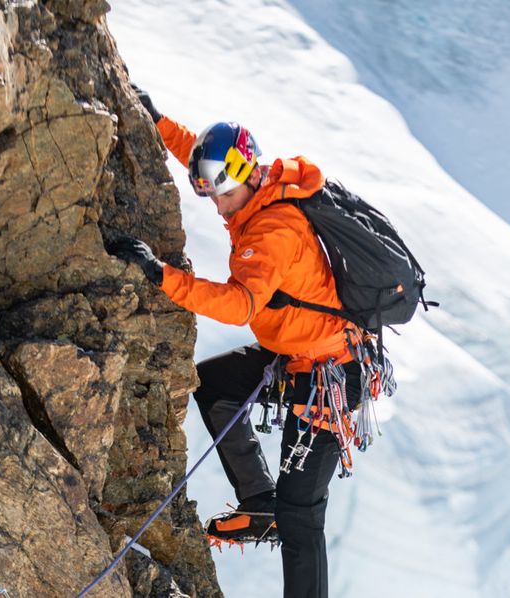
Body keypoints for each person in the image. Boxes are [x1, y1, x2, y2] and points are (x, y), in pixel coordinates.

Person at [108, 84, 362, 598]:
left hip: (329, 373)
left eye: (224, 193)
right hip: (296, 354)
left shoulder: (270, 230)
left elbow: (239, 304)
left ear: (245, 178)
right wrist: (159, 124)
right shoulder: (255, 191)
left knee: (302, 516)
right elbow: (207, 164)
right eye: (210, 193)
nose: (218, 205)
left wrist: (160, 275)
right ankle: (258, 502)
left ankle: (276, 517)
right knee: (216, 386)